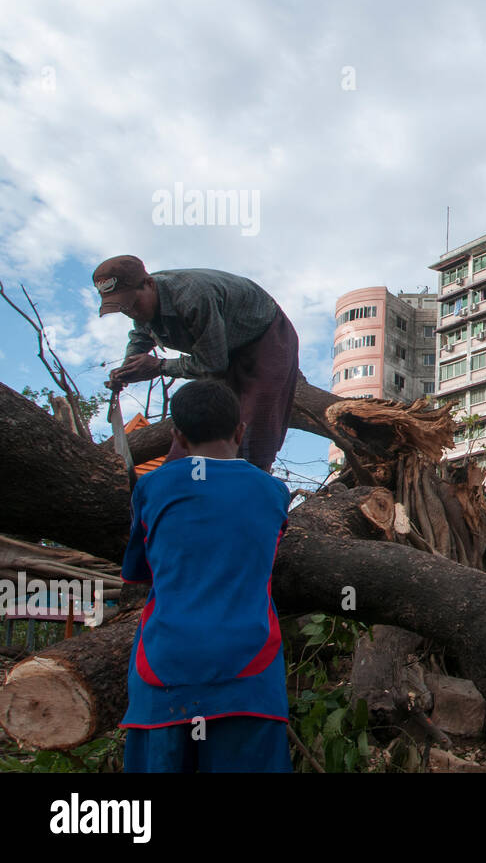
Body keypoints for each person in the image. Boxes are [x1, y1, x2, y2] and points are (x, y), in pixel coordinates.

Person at [119, 378, 293, 772]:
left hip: (163, 671)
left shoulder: (150, 488)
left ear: (178, 435)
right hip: (250, 673)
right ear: (240, 431)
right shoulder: (273, 492)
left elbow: (137, 573)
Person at [95, 255, 299, 472]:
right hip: (219, 348)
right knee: (202, 414)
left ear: (149, 284)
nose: (132, 312)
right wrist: (128, 367)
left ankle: (249, 483)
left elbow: (212, 365)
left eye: (134, 304)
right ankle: (182, 479)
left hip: (264, 337)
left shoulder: (193, 297)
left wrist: (159, 367)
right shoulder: (141, 306)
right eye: (123, 308)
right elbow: (140, 336)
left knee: (254, 422)